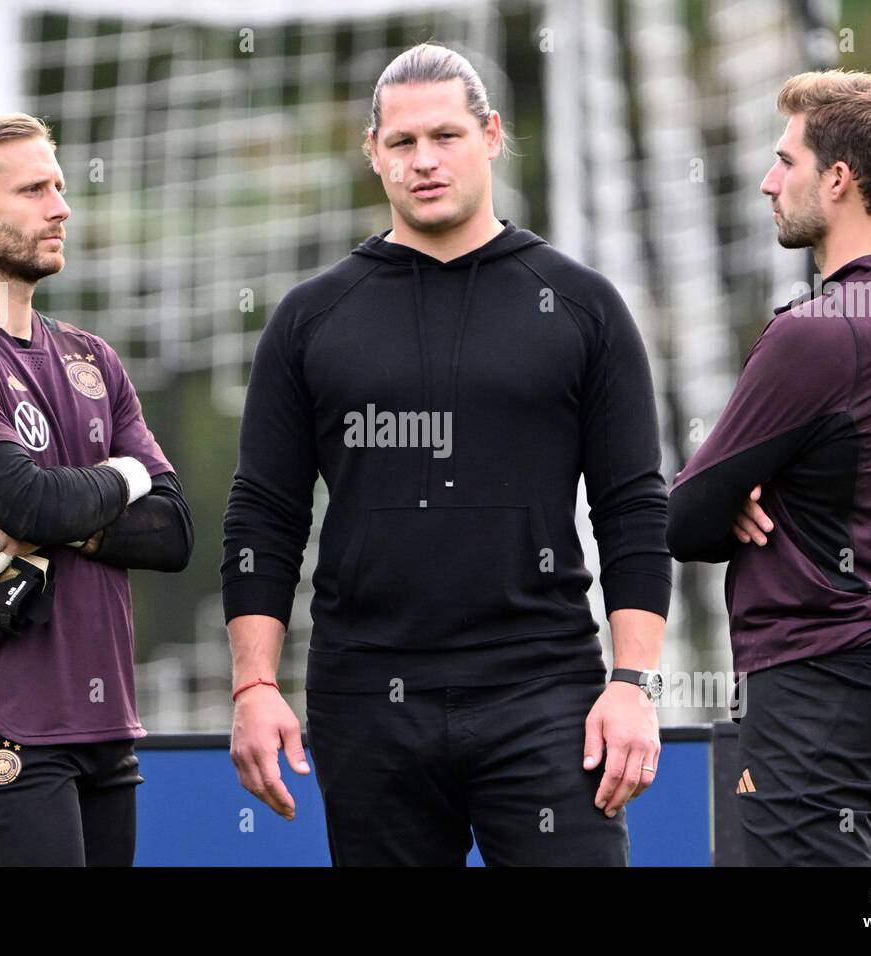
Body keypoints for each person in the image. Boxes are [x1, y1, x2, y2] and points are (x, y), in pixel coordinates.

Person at [221, 43, 670, 866]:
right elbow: (263, 515)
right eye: (402, 142)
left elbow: (635, 507)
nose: (423, 160)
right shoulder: (311, 318)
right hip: (367, 697)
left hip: (545, 691)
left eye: (446, 136)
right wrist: (254, 684)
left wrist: (634, 684)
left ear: (491, 135)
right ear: (373, 152)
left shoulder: (583, 306)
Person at [0, 113, 193, 866]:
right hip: (2, 721)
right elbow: (26, 503)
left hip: (107, 724)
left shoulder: (93, 357)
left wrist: (59, 511)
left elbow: (174, 531)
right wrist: (127, 476)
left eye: (59, 186)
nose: (62, 208)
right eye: (34, 190)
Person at [667, 69, 871, 865]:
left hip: (814, 685)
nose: (769, 182)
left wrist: (730, 493)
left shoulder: (819, 332)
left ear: (837, 179)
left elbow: (686, 521)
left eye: (786, 161)